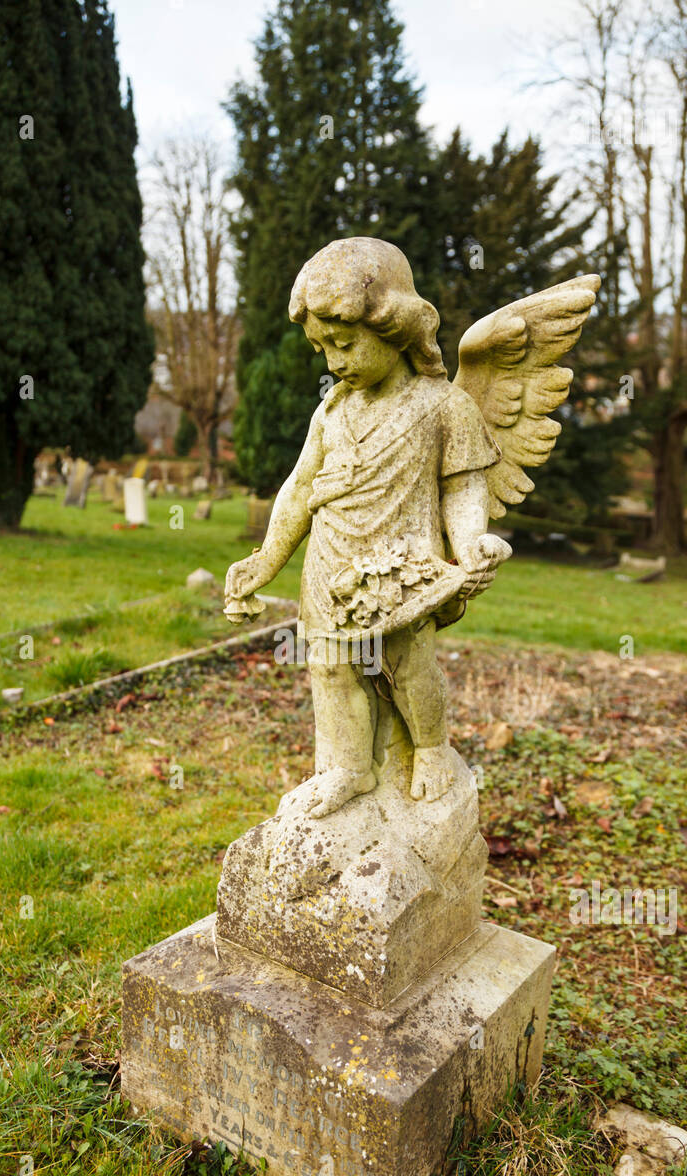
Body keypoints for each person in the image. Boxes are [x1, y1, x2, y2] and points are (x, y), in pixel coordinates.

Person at [225, 237, 508, 817]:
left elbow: (463, 485)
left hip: (400, 560)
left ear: (396, 328)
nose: (334, 361)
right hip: (331, 559)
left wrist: (472, 540)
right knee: (329, 666)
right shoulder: (332, 410)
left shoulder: (443, 406)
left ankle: (429, 748)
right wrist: (266, 559)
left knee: (406, 661)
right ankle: (349, 767)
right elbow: (300, 489)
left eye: (345, 343)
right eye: (322, 347)